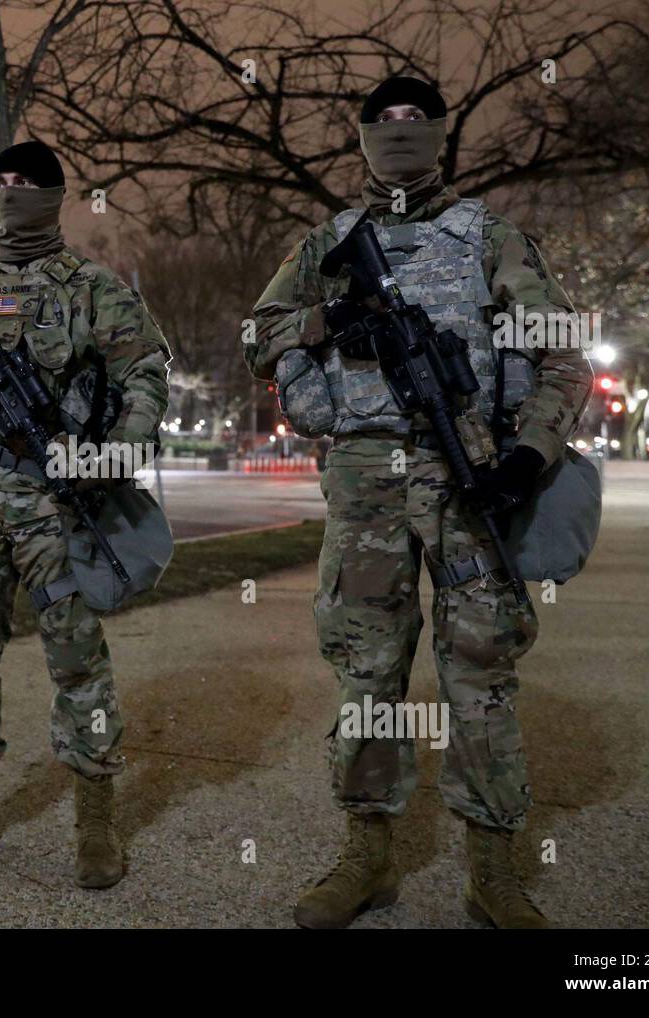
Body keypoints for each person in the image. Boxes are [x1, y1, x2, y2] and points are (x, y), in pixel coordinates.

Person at [246, 76, 593, 928]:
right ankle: (368, 859)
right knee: (365, 672)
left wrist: (528, 454)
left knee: (480, 667)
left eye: (415, 121)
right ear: (362, 136)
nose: (399, 134)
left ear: (440, 133)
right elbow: (259, 336)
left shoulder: (490, 237)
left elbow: (561, 355)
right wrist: (333, 320)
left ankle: (493, 870)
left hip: (467, 465)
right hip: (365, 478)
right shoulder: (326, 242)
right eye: (384, 121)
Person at [0, 139, 172, 889]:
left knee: (76, 654)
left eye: (26, 183)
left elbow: (145, 370)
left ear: (55, 197)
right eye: (1, 183)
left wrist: (116, 453)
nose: (10, 193)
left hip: (57, 497)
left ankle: (95, 816)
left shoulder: (93, 289)